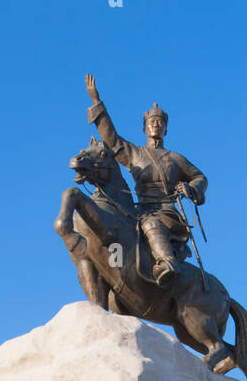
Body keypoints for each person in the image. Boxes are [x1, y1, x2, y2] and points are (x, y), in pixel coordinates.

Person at [84, 73, 207, 285]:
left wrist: (191, 187)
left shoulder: (176, 159)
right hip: (137, 209)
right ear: (145, 127)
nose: (156, 124)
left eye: (160, 122)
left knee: (151, 222)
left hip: (166, 212)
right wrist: (96, 101)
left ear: (166, 128)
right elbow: (111, 138)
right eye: (152, 121)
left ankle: (167, 261)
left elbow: (200, 177)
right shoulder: (135, 153)